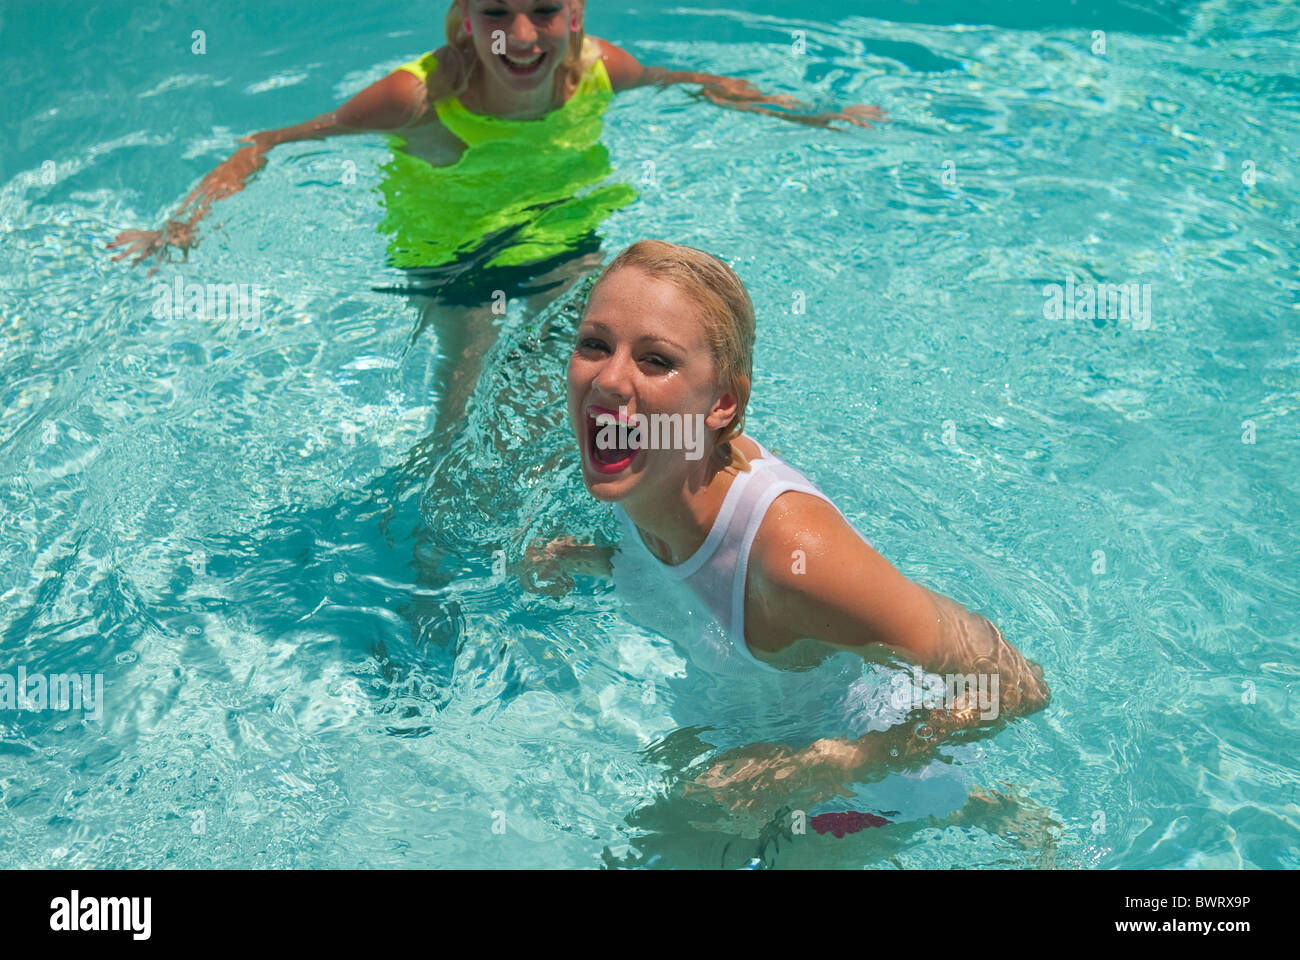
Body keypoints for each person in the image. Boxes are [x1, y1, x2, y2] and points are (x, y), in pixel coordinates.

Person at [107, 0, 885, 437]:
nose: (520, 36)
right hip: (458, 271)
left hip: (567, 247)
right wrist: (180, 228)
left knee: (595, 405)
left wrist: (816, 117)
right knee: (464, 413)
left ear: (573, 14)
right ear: (466, 21)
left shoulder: (599, 71)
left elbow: (694, 79)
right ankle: (434, 560)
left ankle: (576, 541)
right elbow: (271, 140)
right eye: (496, 15)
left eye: (543, 11)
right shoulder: (414, 99)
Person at [528, 239, 1050, 827]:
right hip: (743, 747)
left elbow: (1013, 684)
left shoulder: (792, 556)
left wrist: (832, 766)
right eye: (594, 345)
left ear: (722, 404)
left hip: (870, 791)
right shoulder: (645, 463)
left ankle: (986, 812)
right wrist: (592, 560)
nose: (609, 380)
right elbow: (692, 578)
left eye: (656, 360)